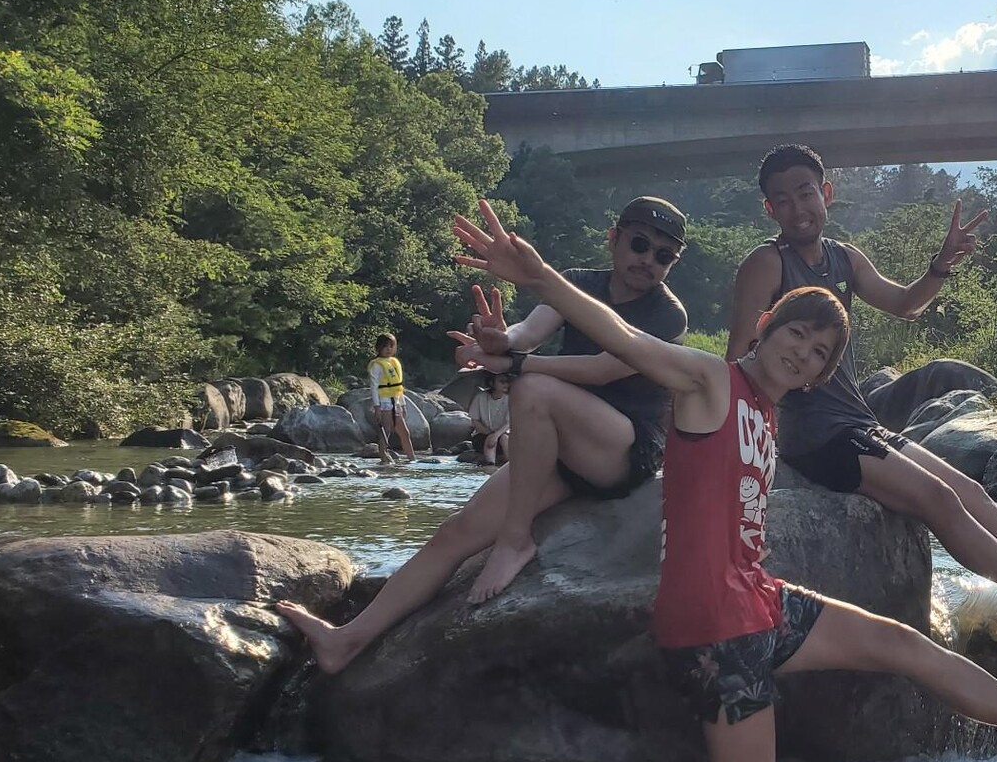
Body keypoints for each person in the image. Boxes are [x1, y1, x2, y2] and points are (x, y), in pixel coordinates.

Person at [450, 199, 997, 762]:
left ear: (822, 374)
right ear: (766, 326)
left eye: (820, 352)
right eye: (796, 334)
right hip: (717, 629)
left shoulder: (767, 416)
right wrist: (539, 277)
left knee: (903, 646)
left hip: (756, 603)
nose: (803, 351)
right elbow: (625, 339)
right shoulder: (710, 382)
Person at [726, 144, 997, 631]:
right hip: (812, 435)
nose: (797, 208)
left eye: (805, 193)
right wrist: (749, 449)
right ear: (769, 209)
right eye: (782, 200)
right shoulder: (765, 263)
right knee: (939, 501)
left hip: (857, 420)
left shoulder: (844, 259)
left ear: (826, 193)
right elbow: (739, 359)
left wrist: (941, 264)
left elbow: (906, 304)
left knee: (969, 491)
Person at [277, 197, 691, 672]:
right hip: (560, 450)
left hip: (621, 450)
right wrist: (499, 341)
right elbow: (527, 331)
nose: (648, 260)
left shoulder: (667, 314)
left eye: (664, 255)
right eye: (640, 244)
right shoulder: (577, 283)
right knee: (455, 532)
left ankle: (514, 541)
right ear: (613, 237)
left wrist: (513, 364)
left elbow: (601, 370)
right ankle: (346, 640)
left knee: (534, 388)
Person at [368, 333, 417, 463]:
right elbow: (374, 387)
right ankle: (384, 456)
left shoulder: (394, 363)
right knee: (386, 431)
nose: (388, 349)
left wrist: (403, 404)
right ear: (379, 348)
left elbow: (398, 388)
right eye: (385, 346)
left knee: (404, 432)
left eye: (391, 346)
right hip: (384, 402)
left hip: (395, 402)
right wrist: (377, 407)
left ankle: (412, 458)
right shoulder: (377, 365)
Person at [467, 372, 512, 465]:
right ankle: (490, 465)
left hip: (504, 436)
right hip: (482, 436)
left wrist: (496, 435)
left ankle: (509, 464)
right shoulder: (480, 397)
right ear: (492, 383)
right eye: (502, 382)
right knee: (490, 439)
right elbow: (475, 421)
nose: (506, 384)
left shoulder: (510, 398)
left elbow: (509, 423)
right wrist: (488, 433)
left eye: (507, 381)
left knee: (504, 438)